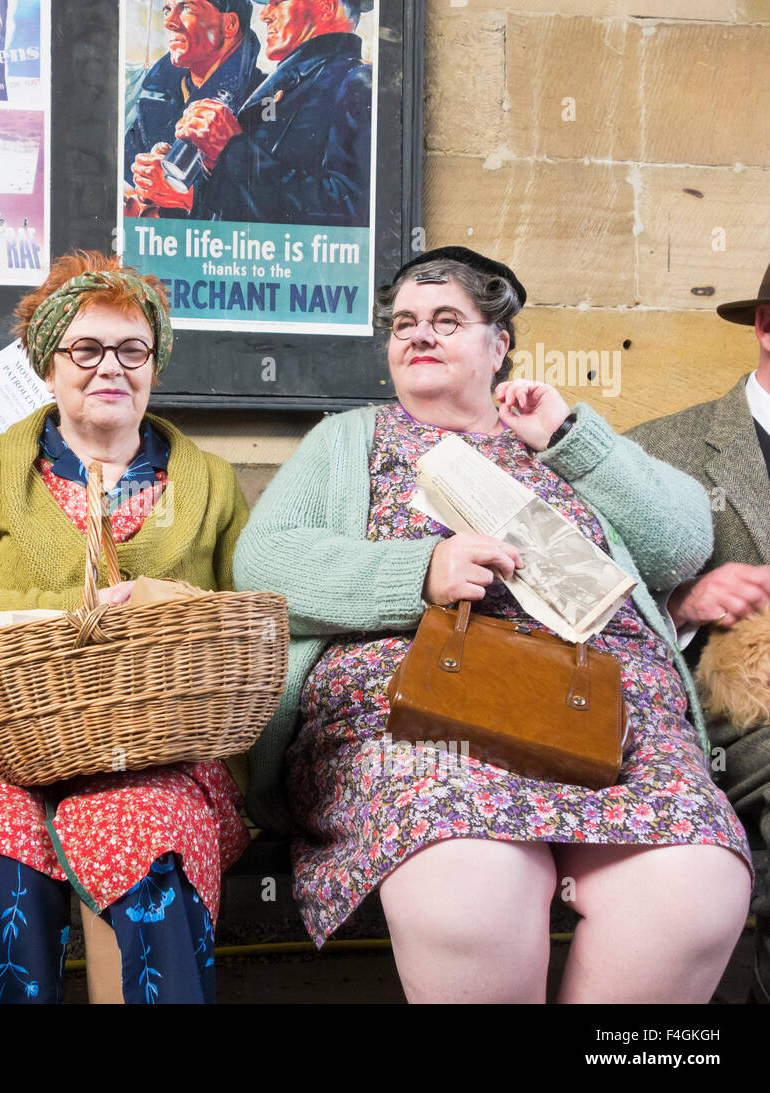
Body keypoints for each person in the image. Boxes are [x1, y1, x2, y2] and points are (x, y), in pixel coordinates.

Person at [232, 244, 752, 1003]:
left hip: (609, 723)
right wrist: (418, 574)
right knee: (472, 883)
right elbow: (266, 562)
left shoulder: (558, 439)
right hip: (416, 723)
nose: (419, 335)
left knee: (692, 890)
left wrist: (574, 438)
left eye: (447, 320)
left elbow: (681, 540)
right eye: (404, 323)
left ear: (499, 344)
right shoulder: (349, 442)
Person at [0, 250, 250, 1004]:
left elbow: (247, 621)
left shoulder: (208, 480)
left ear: (154, 363)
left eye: (132, 349)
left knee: (148, 845)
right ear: (49, 363)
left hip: (159, 740)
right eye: (85, 348)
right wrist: (44, 617)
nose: (109, 367)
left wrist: (172, 598)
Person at [627, 258, 770, 1003]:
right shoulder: (658, 452)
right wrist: (685, 602)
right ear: (766, 326)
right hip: (723, 720)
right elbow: (586, 609)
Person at [131, 0, 371, 226]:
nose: (265, 15)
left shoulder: (356, 82)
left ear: (326, 7)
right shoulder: (285, 86)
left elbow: (348, 212)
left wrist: (230, 149)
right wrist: (186, 192)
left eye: (277, 2)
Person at [123, 0, 264, 197]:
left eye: (187, 7)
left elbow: (270, 199)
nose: (169, 22)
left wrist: (186, 196)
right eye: (167, 10)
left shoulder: (267, 99)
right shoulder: (151, 94)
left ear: (229, 25)